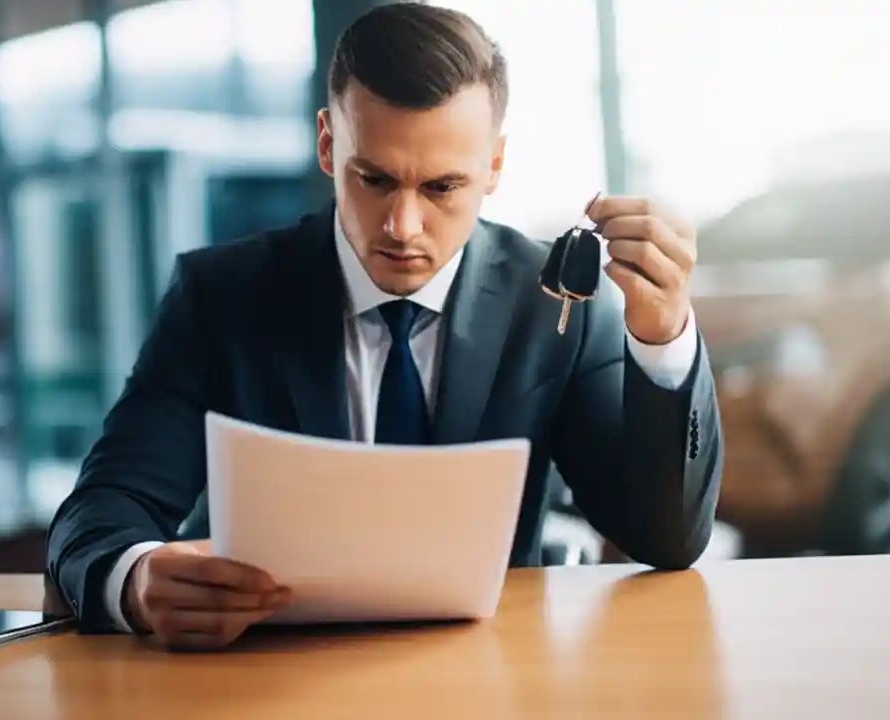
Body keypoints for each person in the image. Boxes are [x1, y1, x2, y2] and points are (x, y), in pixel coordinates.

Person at [47, 2, 722, 650]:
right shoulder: (221, 298)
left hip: (490, 678)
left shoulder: (553, 306)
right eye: (373, 179)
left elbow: (664, 539)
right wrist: (135, 580)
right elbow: (102, 512)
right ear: (326, 143)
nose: (402, 228)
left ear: (493, 167)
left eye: (440, 188)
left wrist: (663, 338)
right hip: (262, 678)